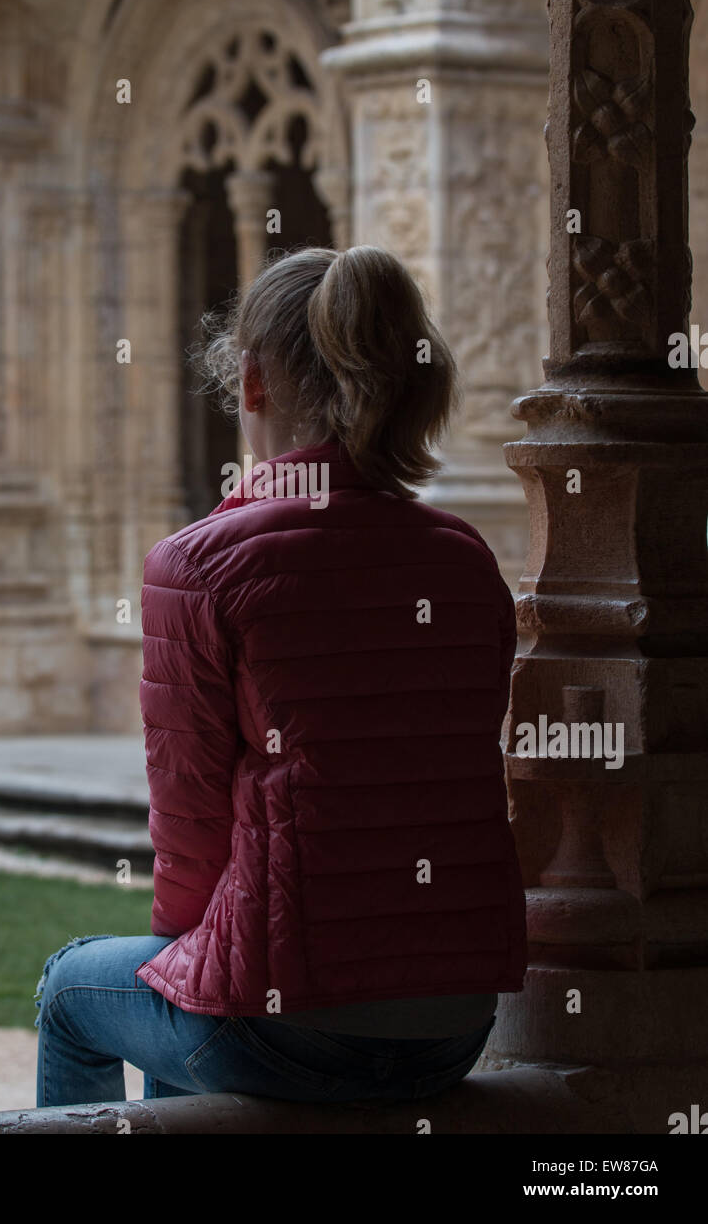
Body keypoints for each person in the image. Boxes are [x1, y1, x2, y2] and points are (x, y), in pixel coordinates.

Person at [34, 244, 527, 1107]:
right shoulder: (463, 556)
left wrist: (196, 967)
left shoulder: (197, 565)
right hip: (458, 1024)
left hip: (293, 1025)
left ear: (251, 381)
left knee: (73, 986)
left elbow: (189, 835)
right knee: (187, 971)